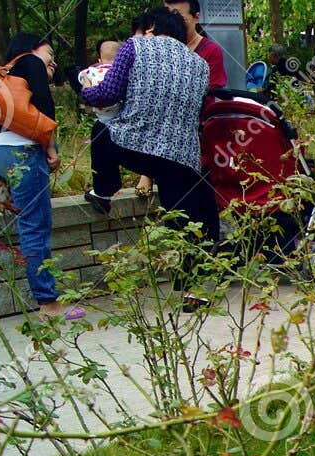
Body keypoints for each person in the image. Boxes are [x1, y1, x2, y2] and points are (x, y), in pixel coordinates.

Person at [80, 6, 217, 305]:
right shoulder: (200, 64)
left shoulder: (134, 47)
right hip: (181, 156)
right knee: (184, 220)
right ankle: (192, 290)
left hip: (134, 144)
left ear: (151, 29)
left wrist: (88, 89)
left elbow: (107, 95)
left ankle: (104, 191)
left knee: (100, 132)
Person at [0, 33, 62, 316]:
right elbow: (45, 107)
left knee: (27, 221)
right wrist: (51, 149)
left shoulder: (0, 80)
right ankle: (48, 303)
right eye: (50, 55)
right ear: (33, 48)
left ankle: (45, 299)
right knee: (34, 226)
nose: (53, 63)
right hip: (20, 151)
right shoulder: (31, 62)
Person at [165, 0, 227, 88]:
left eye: (179, 18)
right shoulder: (160, 47)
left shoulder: (211, 51)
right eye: (167, 17)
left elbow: (212, 90)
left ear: (196, 17)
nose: (172, 23)